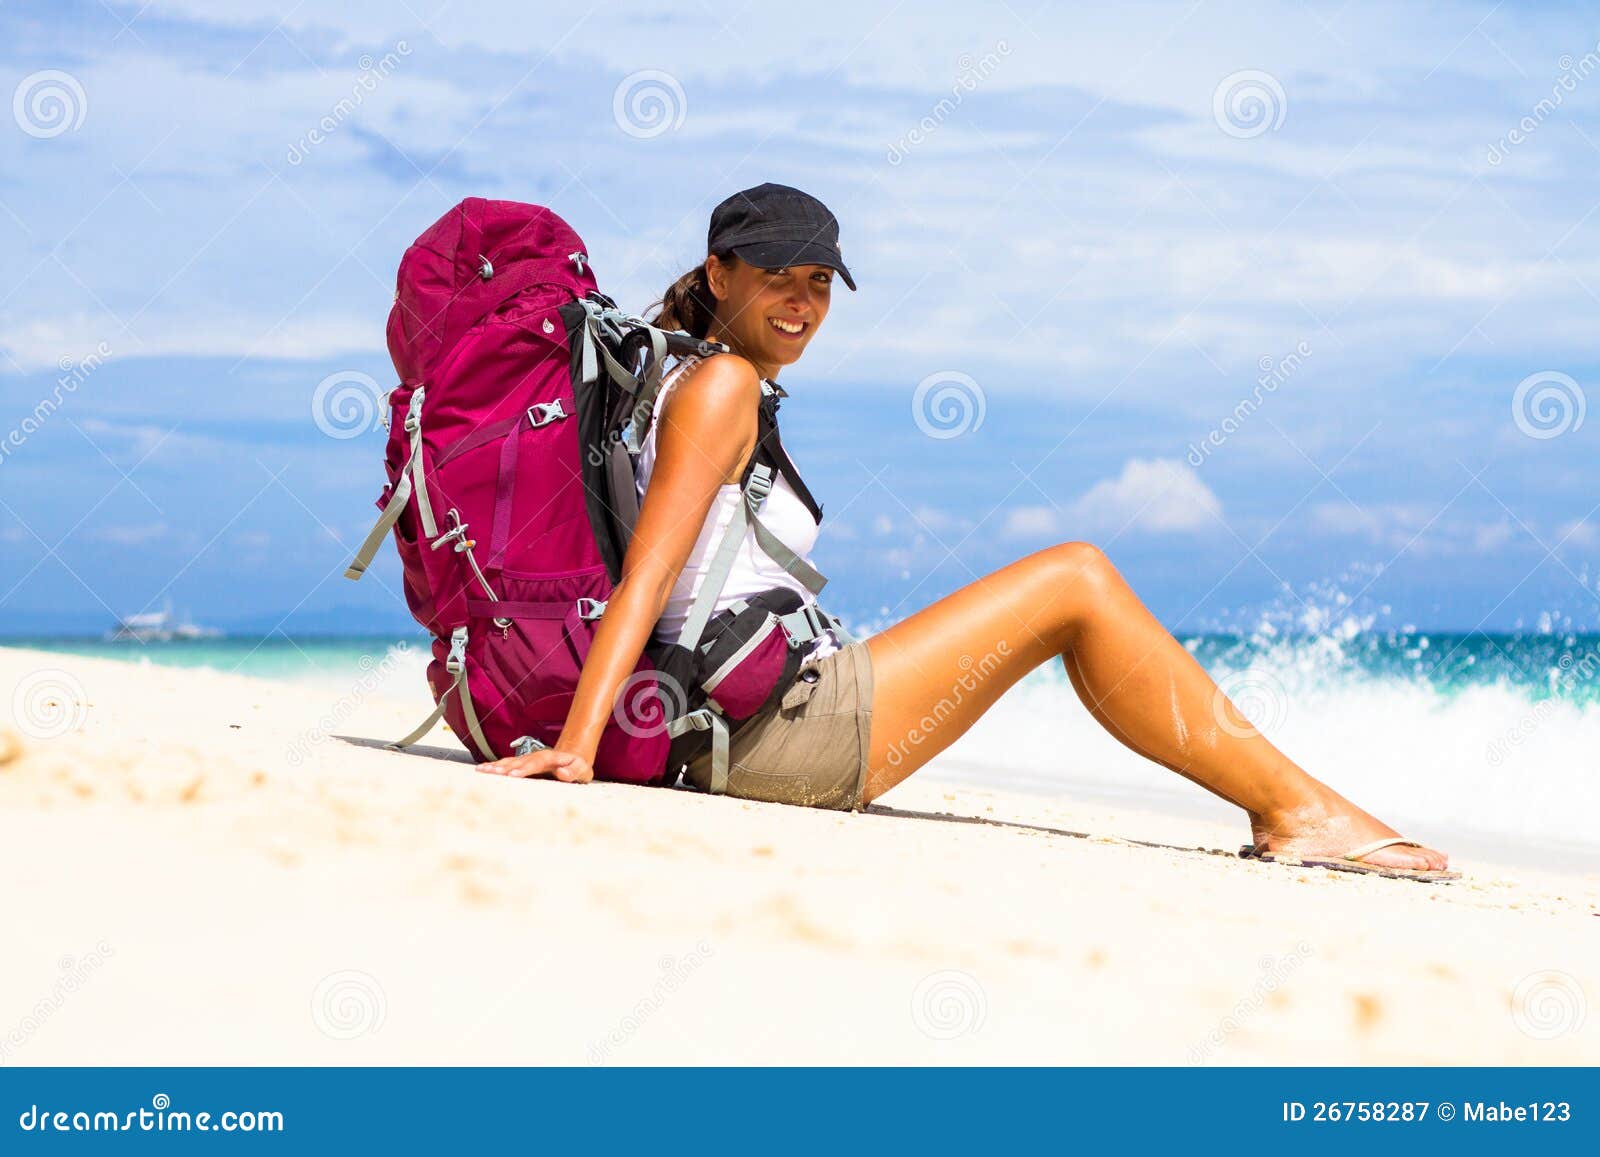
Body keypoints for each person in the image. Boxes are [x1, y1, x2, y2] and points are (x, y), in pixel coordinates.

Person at [481, 182, 1453, 881]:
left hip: (741, 715)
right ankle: (1295, 809)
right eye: (777, 276)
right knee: (1076, 578)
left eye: (819, 280)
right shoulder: (721, 385)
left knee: (1073, 588)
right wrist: (578, 747)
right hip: (773, 731)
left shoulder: (688, 378)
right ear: (718, 271)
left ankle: (1292, 804)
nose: (802, 302)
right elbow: (648, 576)